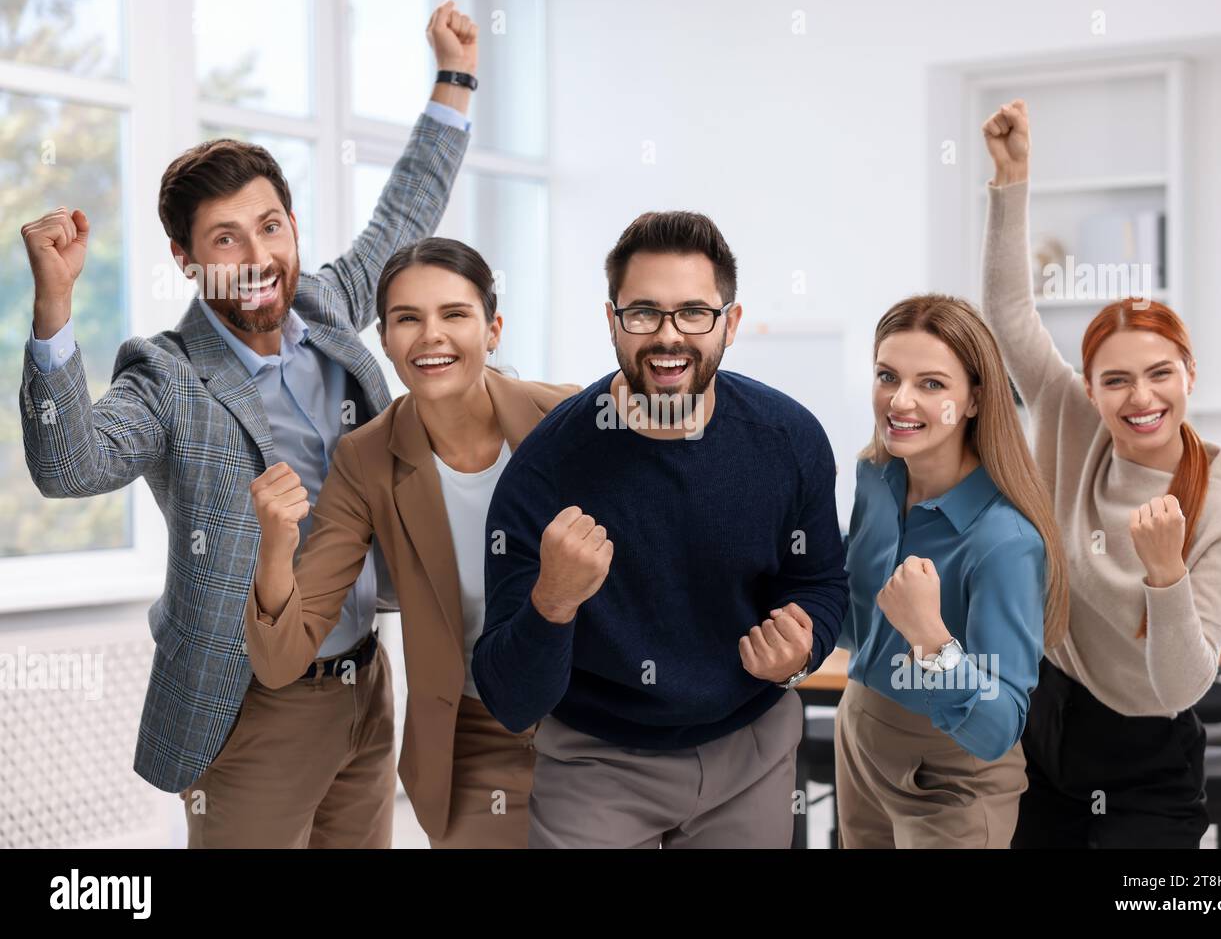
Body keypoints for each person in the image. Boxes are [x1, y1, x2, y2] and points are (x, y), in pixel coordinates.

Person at [18, 1, 481, 848]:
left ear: (293, 227)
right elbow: (70, 468)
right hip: (250, 709)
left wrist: (453, 77)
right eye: (225, 240)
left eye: (270, 225)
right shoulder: (167, 372)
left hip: (367, 688)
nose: (258, 255)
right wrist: (53, 308)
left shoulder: (330, 305)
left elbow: (405, 213)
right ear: (187, 262)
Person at [472, 210, 849, 848]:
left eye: (694, 312)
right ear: (612, 321)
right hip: (597, 764)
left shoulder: (791, 440)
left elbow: (820, 583)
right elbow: (510, 699)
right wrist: (554, 601)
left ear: (729, 322)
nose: (668, 336)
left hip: (749, 752)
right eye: (643, 312)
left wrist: (802, 647)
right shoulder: (545, 469)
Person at [981, 99, 1221, 848]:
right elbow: (1009, 315)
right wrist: (1011, 183)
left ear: (1189, 375)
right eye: (1117, 381)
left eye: (1160, 373)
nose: (1141, 398)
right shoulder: (1073, 420)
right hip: (1047, 727)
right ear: (1090, 386)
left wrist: (1164, 575)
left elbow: (1180, 687)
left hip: (1145, 760)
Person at [244, 238, 578, 847]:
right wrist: (273, 546)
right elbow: (280, 656)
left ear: (493, 328)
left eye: (454, 314)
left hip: (596, 723)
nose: (431, 337)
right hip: (476, 736)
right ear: (386, 339)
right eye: (407, 319)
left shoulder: (568, 420)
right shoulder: (367, 458)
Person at [834, 294, 1069, 848]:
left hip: (952, 777)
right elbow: (862, 627)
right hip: (862, 741)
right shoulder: (877, 476)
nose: (901, 400)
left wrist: (930, 639)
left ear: (974, 400)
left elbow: (996, 729)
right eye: (887, 376)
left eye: (932, 384)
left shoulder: (1004, 542)